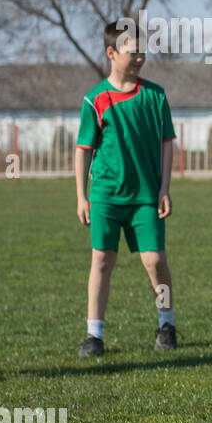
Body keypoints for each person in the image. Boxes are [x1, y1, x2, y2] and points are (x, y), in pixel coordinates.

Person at [75, 20, 178, 356]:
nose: (139, 57)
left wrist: (164, 187)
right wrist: (81, 195)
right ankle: (94, 336)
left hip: (146, 197)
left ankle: (167, 324)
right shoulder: (95, 100)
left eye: (142, 52)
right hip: (105, 196)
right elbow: (84, 150)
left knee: (154, 260)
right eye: (132, 52)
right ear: (111, 53)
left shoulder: (155, 96)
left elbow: (167, 143)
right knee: (102, 260)